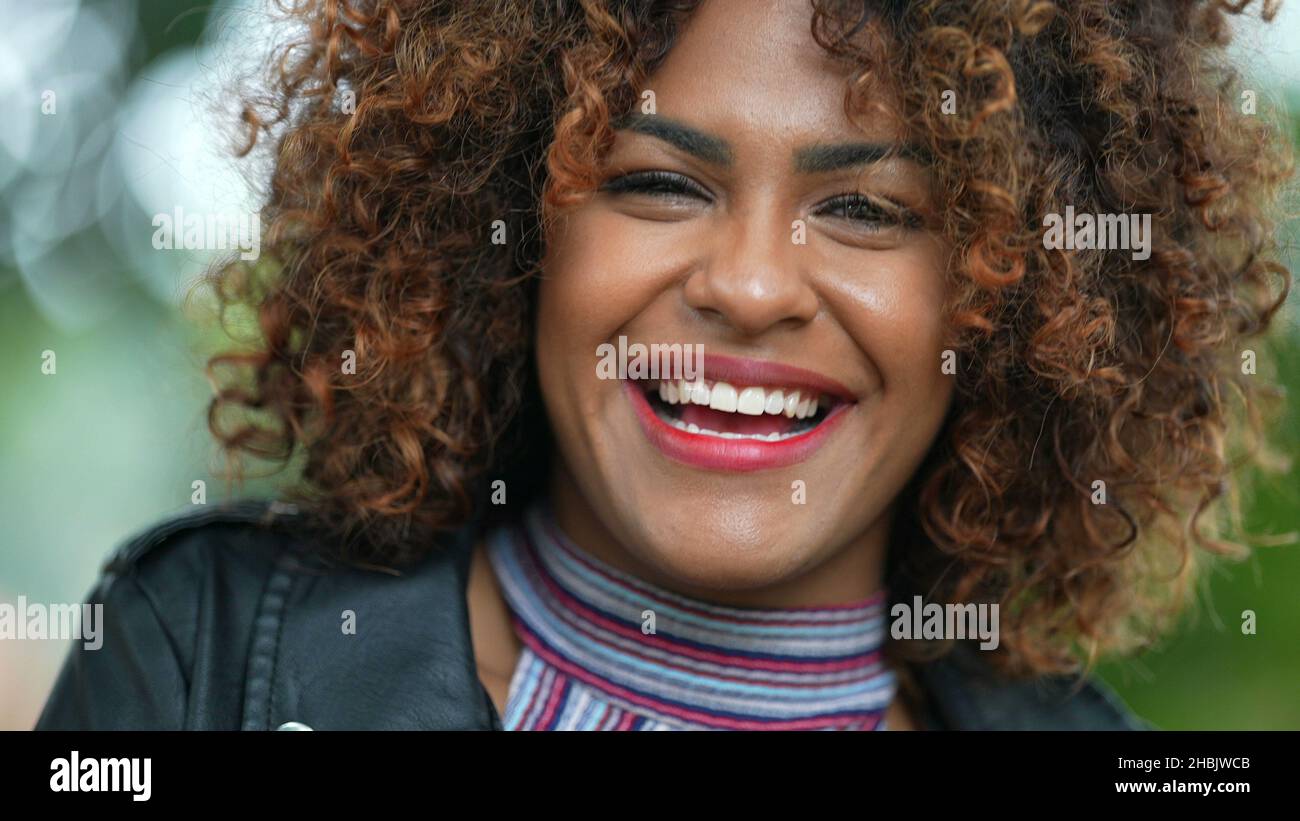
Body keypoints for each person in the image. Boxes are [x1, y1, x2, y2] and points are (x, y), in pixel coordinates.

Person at [37, 0, 1291, 731]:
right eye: (653, 182)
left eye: (867, 210)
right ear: (511, 229)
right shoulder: (193, 653)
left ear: (1019, 291)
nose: (748, 284)